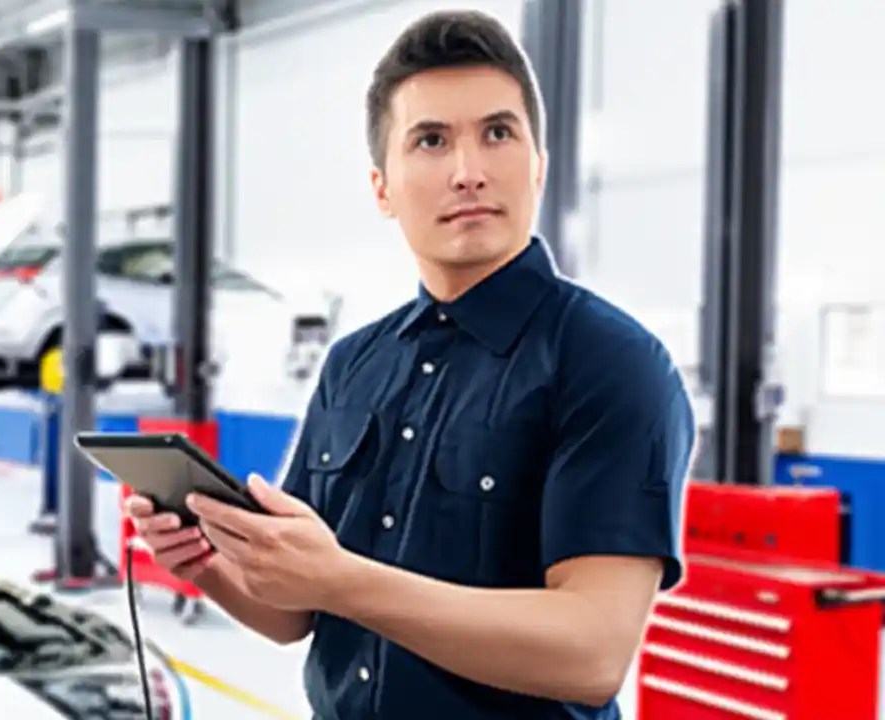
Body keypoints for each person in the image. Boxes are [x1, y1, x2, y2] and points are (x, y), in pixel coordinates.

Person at [124, 9, 694, 720]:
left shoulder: (611, 362)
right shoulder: (354, 363)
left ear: (539, 167)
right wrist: (206, 563)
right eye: (430, 140)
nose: (468, 171)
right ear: (383, 189)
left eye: (498, 133)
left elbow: (591, 653)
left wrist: (343, 582)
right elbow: (298, 612)